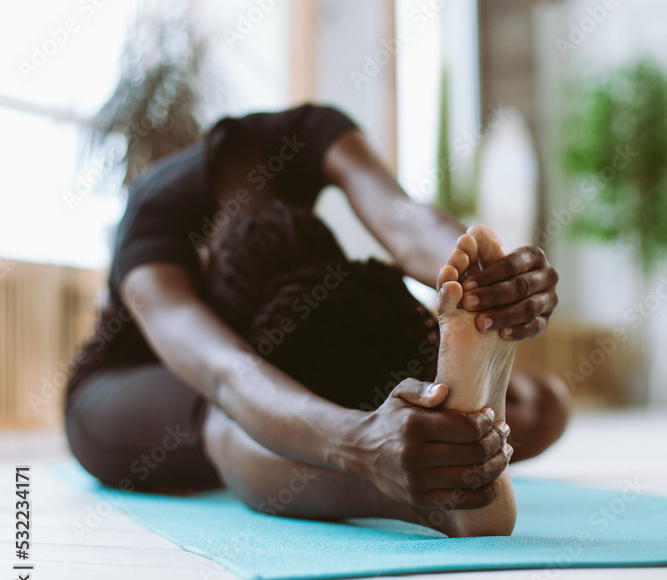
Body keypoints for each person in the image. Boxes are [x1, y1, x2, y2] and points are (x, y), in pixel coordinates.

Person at [64, 103, 568, 536]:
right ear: (204, 259)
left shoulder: (306, 134)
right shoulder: (155, 223)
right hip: (141, 382)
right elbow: (228, 374)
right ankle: (423, 499)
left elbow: (402, 220)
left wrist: (482, 280)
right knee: (228, 417)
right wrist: (364, 442)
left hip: (300, 344)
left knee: (539, 407)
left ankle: (430, 453)